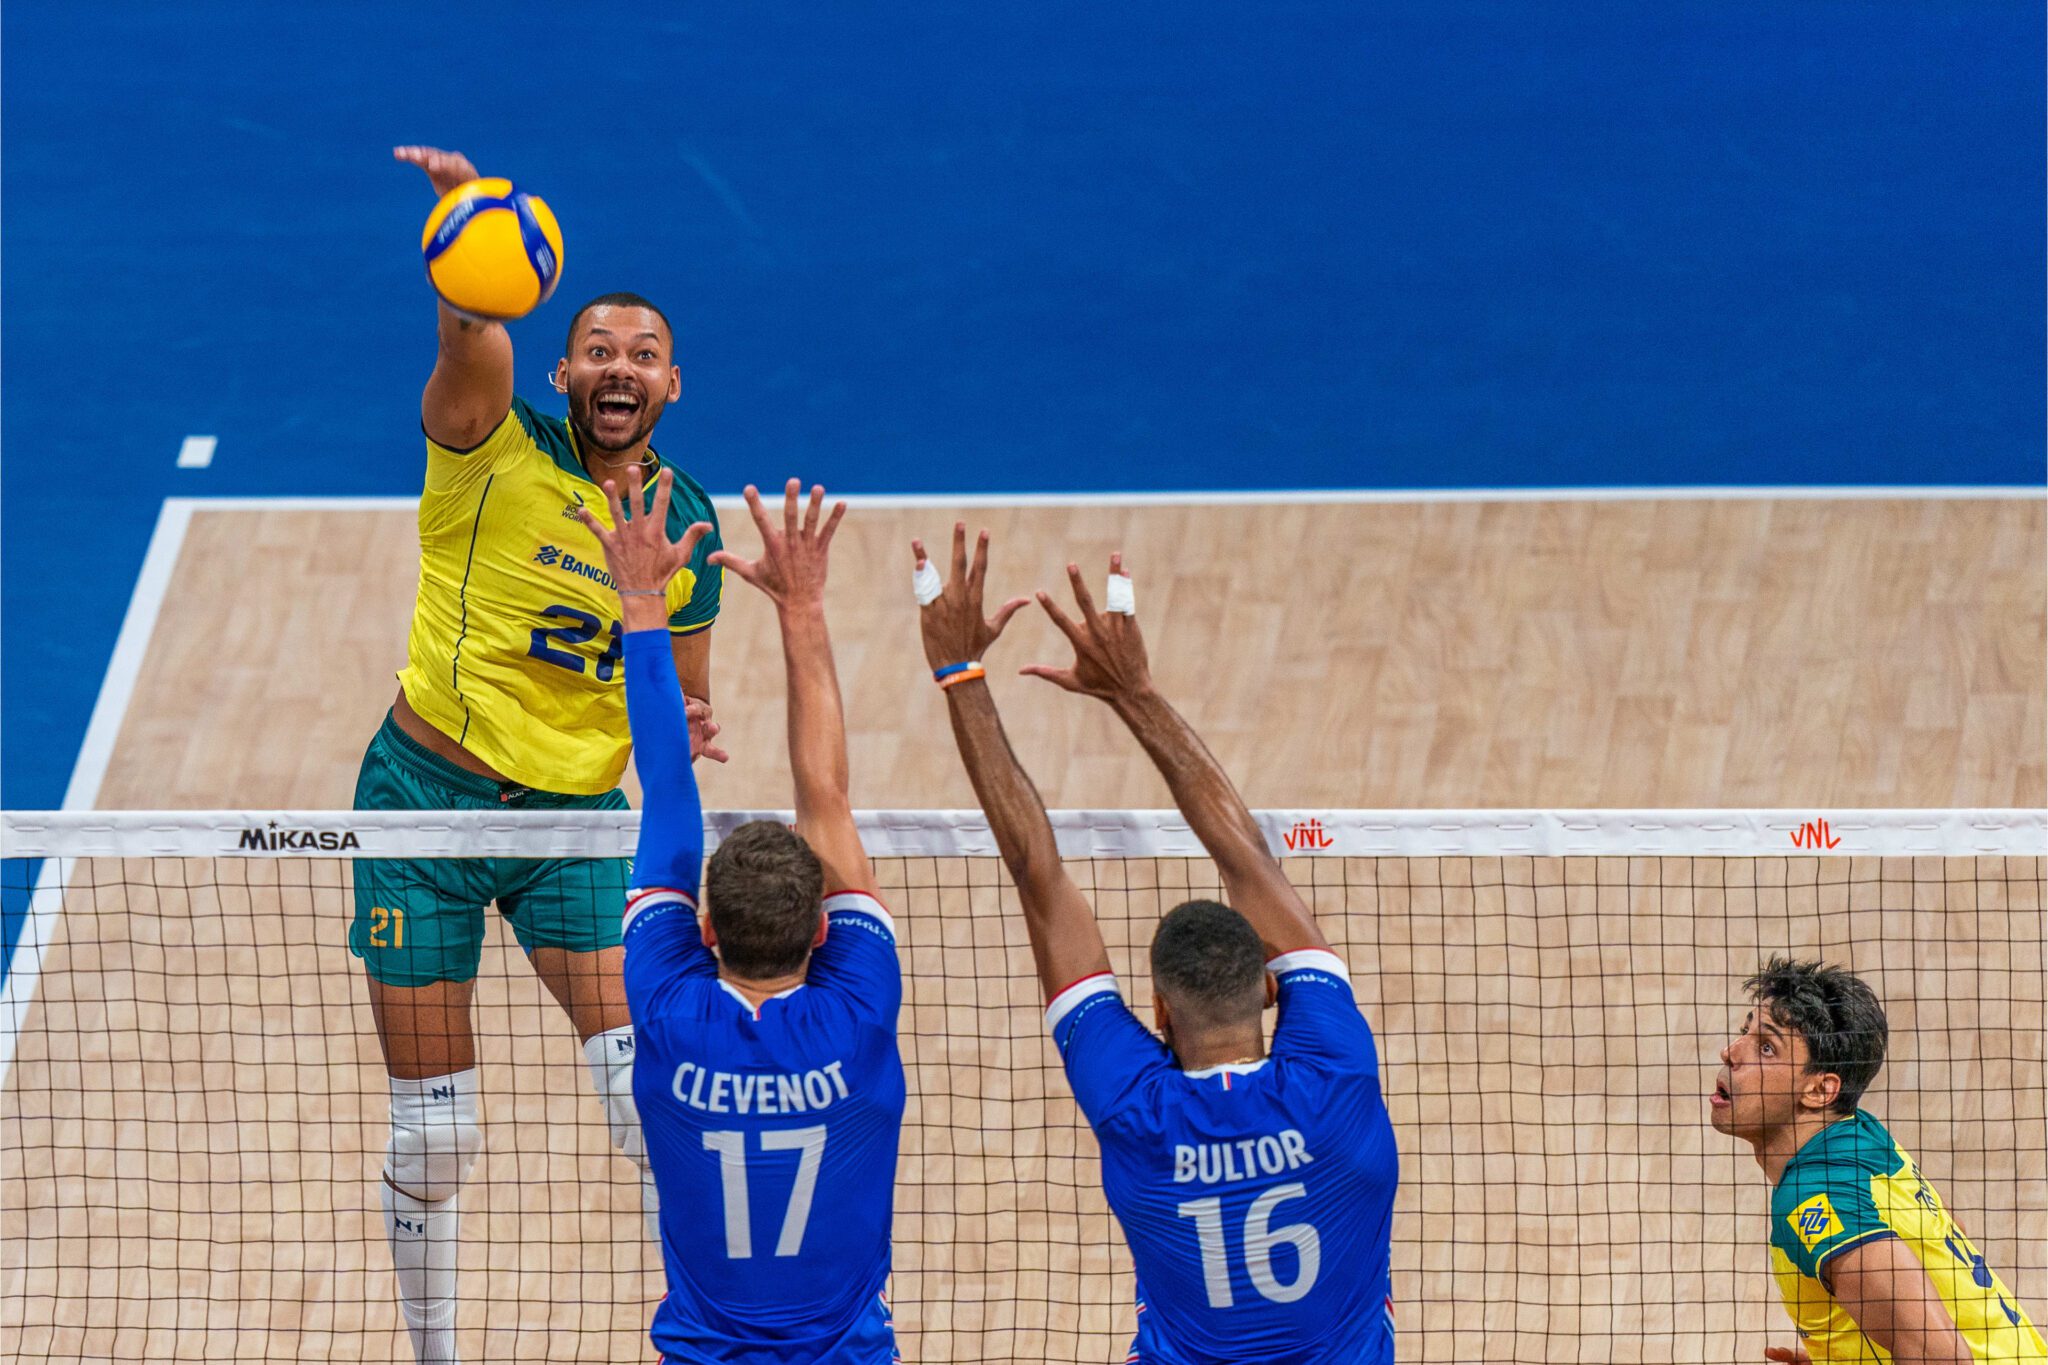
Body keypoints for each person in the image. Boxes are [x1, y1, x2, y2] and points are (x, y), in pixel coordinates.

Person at [360, 146, 727, 1365]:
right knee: (436, 1136)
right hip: (427, 814)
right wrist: (467, 238)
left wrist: (692, 717)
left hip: (572, 825)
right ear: (564, 369)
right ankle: (437, 1358)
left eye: (641, 355)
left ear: (671, 383)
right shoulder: (485, 444)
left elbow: (683, 687)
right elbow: (472, 342)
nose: (617, 368)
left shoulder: (690, 522)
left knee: (646, 1104)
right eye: (597, 351)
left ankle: (710, 1337)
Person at [914, 527, 1399, 1364]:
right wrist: (1134, 692)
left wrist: (962, 675)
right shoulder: (1335, 1074)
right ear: (1273, 991)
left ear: (1159, 1011)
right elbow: (1247, 857)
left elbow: (1040, 876)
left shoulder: (1135, 1107)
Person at [585, 475, 905, 1364]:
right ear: (821, 934)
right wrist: (800, 606)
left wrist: (643, 598)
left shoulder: (669, 1008)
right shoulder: (860, 1006)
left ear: (706, 931)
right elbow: (826, 796)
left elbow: (667, 794)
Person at [1712, 956, 2045, 1363]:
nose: (1730, 1052)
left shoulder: (1816, 1199)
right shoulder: (1861, 1134)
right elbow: (1941, 1232)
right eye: (1744, 1032)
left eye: (1766, 1047)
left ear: (1820, 1091)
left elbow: (1942, 1358)